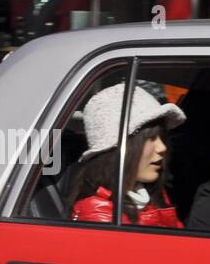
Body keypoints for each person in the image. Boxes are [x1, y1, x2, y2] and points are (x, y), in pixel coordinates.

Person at [67, 82, 185, 228]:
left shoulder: (150, 194)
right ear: (119, 149)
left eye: (162, 137)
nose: (162, 147)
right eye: (151, 138)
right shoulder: (101, 219)